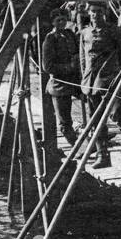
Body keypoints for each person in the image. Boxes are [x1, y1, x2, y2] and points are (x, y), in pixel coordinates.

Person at [80, 2, 121, 167]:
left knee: (117, 112)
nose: (95, 15)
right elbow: (84, 59)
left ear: (104, 13)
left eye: (98, 11)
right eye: (92, 12)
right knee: (95, 119)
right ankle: (103, 155)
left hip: (110, 80)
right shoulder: (85, 33)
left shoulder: (115, 32)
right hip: (91, 82)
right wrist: (84, 80)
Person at [40, 8, 81, 147]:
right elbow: (48, 66)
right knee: (64, 120)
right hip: (60, 83)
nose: (62, 22)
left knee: (94, 102)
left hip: (75, 81)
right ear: (53, 22)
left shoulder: (70, 34)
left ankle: (96, 135)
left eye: (64, 19)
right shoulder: (50, 39)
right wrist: (69, 67)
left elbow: (77, 51)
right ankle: (76, 145)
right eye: (58, 20)